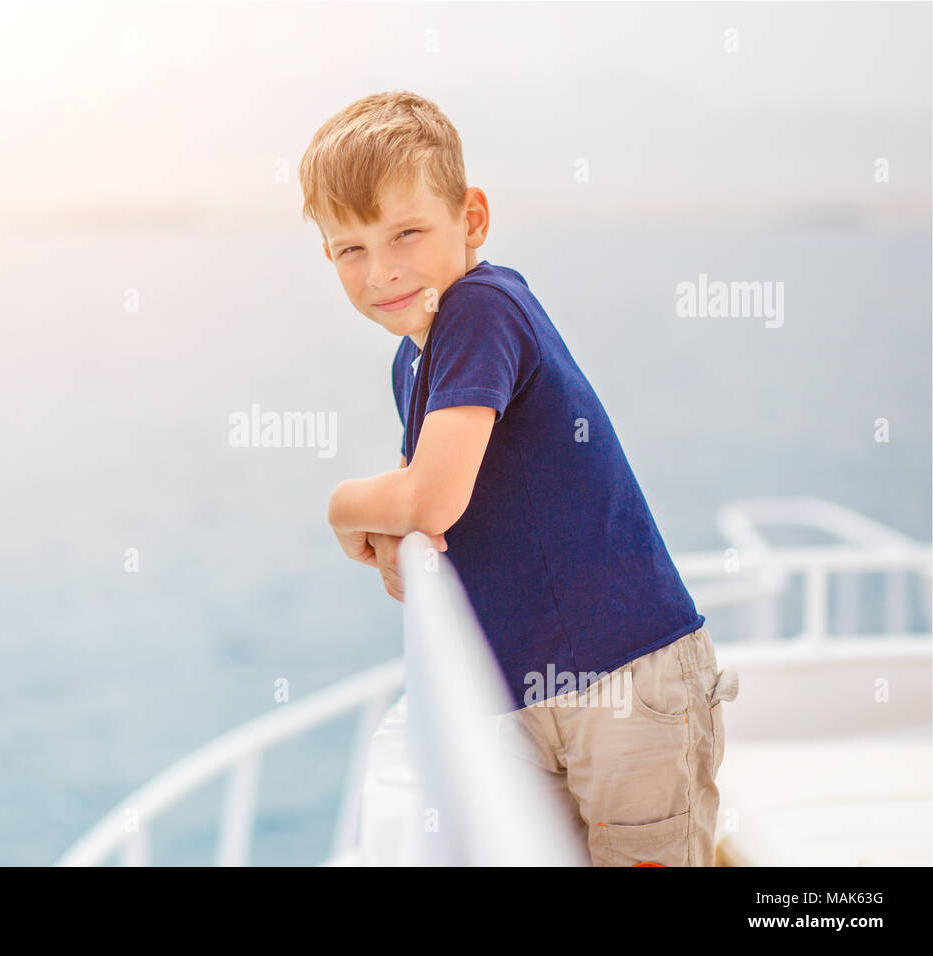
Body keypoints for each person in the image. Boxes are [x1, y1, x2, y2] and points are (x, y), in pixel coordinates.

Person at [301, 90, 737, 866]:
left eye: (406, 232)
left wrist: (341, 506)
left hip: (625, 677)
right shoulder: (415, 359)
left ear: (471, 220)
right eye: (350, 249)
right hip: (531, 691)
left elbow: (430, 495)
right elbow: (429, 516)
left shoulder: (481, 308)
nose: (382, 270)